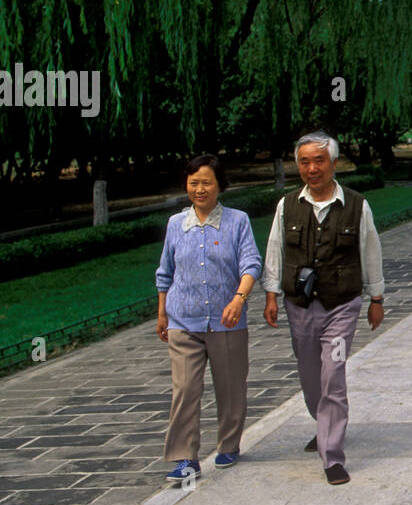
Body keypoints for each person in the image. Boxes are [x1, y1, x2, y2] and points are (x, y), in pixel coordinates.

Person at [262, 132, 384, 485]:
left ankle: (332, 454)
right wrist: (271, 294)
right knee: (310, 374)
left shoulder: (357, 205)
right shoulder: (287, 205)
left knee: (333, 373)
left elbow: (370, 252)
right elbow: (275, 250)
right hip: (299, 305)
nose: (312, 169)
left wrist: (377, 299)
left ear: (334, 163)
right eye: (305, 162)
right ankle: (323, 423)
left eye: (319, 161)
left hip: (341, 305)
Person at [155, 155, 262, 484]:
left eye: (206, 183)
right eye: (193, 183)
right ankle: (185, 458)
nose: (199, 189)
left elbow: (251, 264)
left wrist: (239, 299)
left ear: (220, 185)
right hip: (182, 321)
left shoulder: (237, 221)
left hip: (226, 321)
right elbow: (165, 272)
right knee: (185, 390)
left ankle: (228, 444)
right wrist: (162, 312)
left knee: (230, 388)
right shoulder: (176, 224)